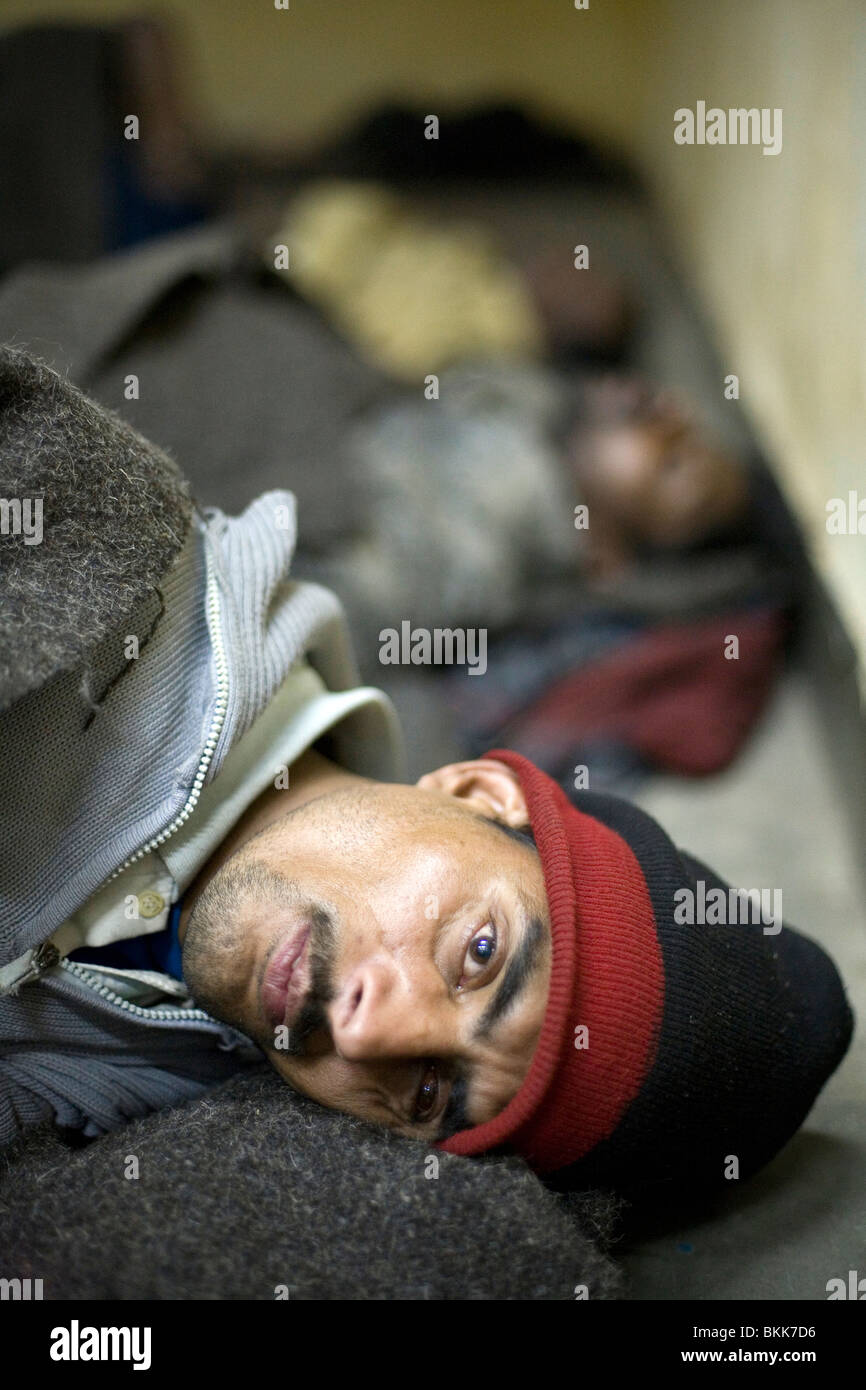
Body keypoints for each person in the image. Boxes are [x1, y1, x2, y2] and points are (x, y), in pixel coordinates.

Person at [0, 348, 852, 1197]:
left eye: (430, 1092)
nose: (371, 1035)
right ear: (479, 792)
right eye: (479, 953)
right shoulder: (101, 559)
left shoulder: (163, 1089)